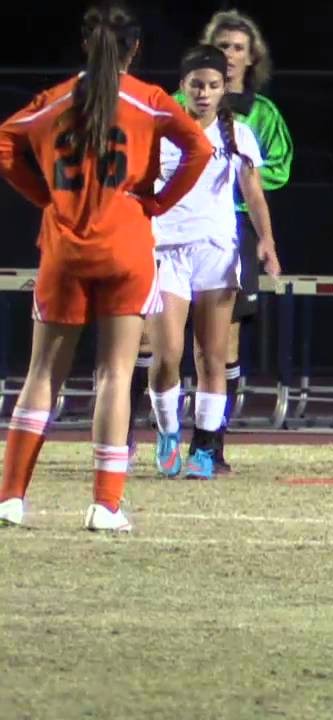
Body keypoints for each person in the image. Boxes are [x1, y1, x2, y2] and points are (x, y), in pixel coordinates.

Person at [0, 2, 213, 531]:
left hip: (65, 248)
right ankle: (105, 505)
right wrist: (159, 202)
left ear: (84, 46)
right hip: (126, 246)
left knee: (42, 372)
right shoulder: (150, 100)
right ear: (135, 49)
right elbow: (200, 148)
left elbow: (5, 141)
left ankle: (9, 499)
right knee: (114, 374)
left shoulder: (52, 102)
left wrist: (47, 197)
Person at [129, 9, 293, 473]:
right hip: (167, 251)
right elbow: (139, 187)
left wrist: (268, 243)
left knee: (212, 356)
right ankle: (166, 432)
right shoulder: (160, 130)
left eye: (212, 85)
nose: (203, 93)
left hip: (217, 254)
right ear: (183, 86)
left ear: (225, 88)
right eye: (195, 84)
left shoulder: (238, 132)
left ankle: (204, 447)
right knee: (166, 357)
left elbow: (253, 192)